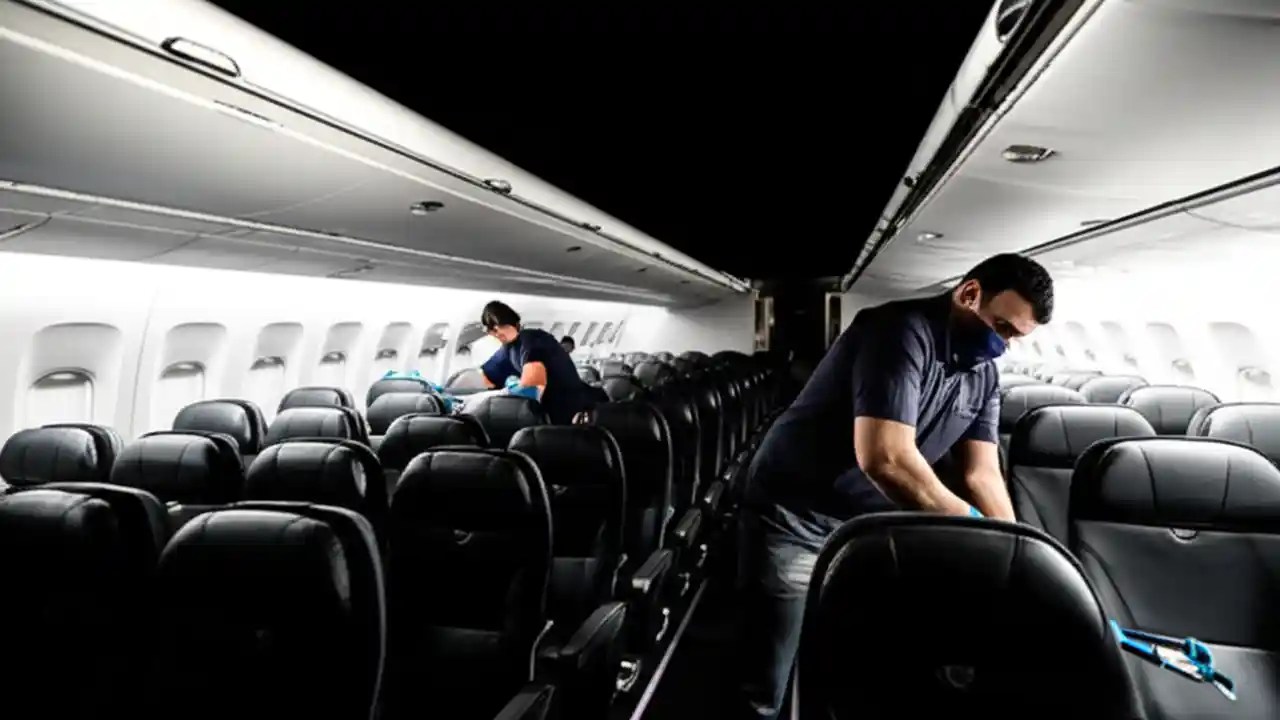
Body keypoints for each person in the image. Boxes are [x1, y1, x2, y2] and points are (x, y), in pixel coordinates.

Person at [734, 253, 1053, 719]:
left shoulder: (983, 374)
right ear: (969, 294)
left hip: (867, 524)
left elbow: (981, 473)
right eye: (1002, 328)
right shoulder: (899, 332)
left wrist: (1016, 554)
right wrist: (974, 527)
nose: (1005, 345)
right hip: (795, 514)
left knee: (851, 667)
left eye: (1016, 338)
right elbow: (886, 458)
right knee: (768, 676)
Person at [477, 300, 596, 424]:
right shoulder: (508, 348)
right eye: (493, 331)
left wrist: (507, 392)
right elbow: (488, 378)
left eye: (498, 328)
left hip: (569, 411)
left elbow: (531, 391)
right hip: (545, 414)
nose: (497, 333)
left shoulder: (533, 341)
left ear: (514, 323)